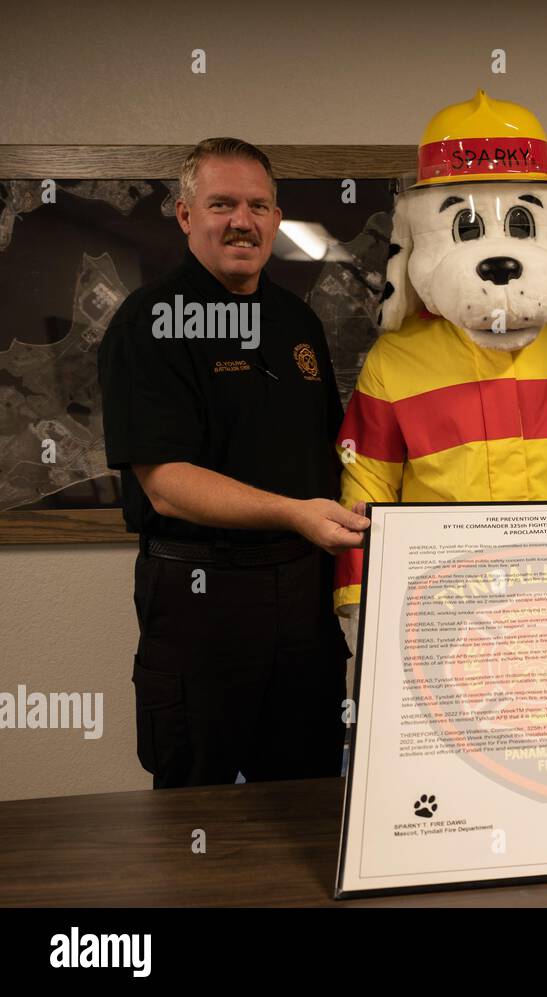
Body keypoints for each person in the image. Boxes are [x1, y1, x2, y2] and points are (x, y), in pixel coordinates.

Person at [98, 137, 370, 787]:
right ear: (186, 214)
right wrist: (294, 513)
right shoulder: (149, 323)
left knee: (311, 801)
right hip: (202, 605)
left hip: (303, 604)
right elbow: (165, 484)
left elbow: (333, 453)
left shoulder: (296, 323)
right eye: (221, 204)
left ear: (276, 219)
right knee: (195, 813)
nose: (242, 221)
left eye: (258, 205)